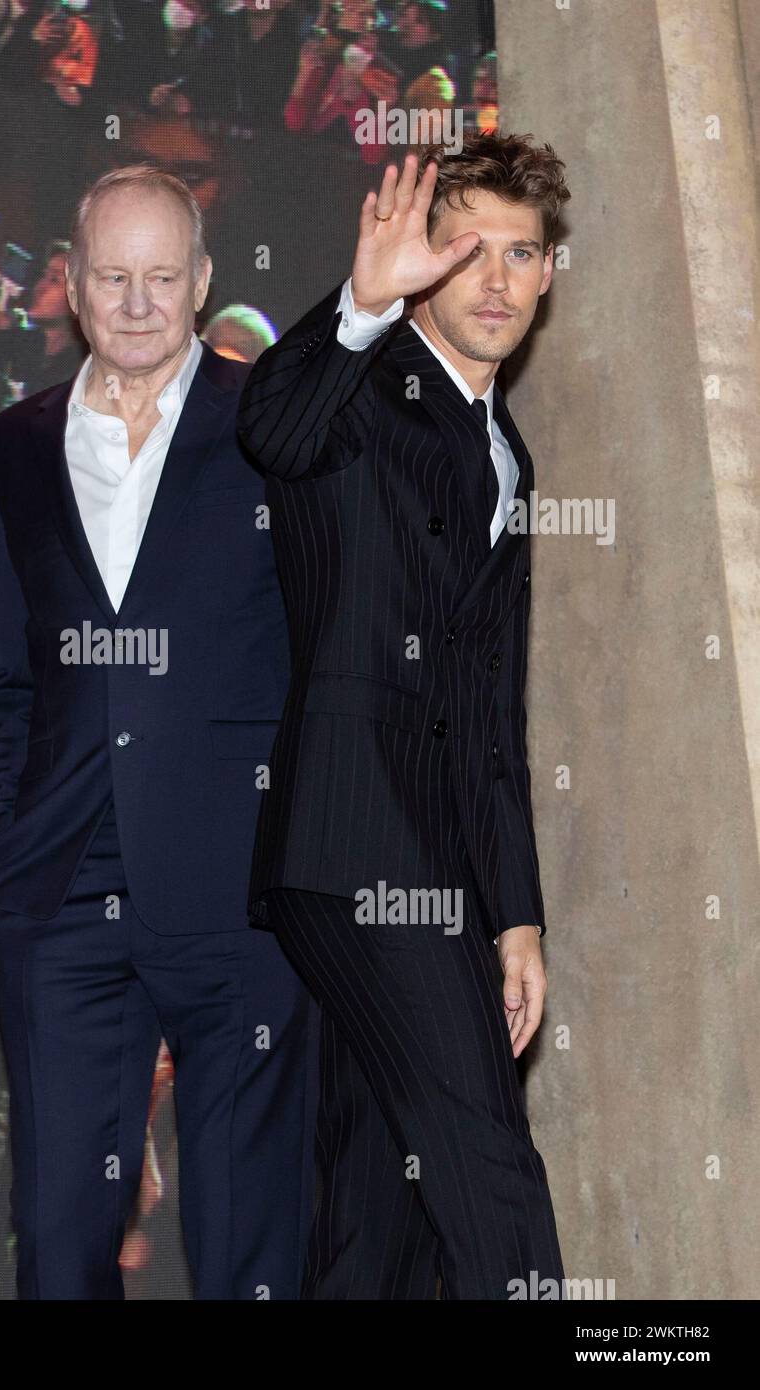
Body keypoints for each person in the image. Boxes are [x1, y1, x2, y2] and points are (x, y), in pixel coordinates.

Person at [0, 163, 316, 1299]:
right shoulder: (11, 445)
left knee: (240, 1233)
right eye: (110, 276)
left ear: (202, 282)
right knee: (60, 1236)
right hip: (60, 879)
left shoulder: (267, 424)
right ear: (69, 284)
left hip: (234, 882)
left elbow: (320, 646)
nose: (133, 302)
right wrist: (5, 850)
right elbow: (5, 669)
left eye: (160, 277)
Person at [236, 133, 570, 1298]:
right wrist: (357, 307)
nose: (492, 279)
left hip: (440, 868)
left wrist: (514, 916)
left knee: (382, 1214)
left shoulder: (507, 453)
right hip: (346, 843)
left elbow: (488, 715)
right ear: (422, 264)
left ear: (544, 274)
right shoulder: (363, 391)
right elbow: (267, 432)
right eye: (463, 248)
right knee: (486, 1157)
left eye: (518, 253)